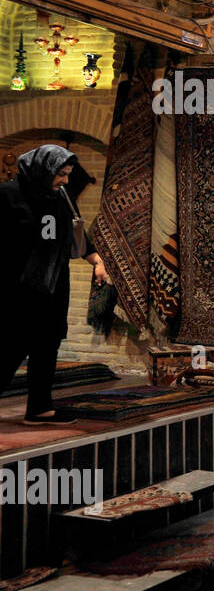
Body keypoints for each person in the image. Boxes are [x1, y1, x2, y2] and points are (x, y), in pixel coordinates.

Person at [0, 146, 110, 424]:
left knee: (47, 344)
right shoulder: (8, 195)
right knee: (13, 345)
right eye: (60, 174)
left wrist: (96, 260)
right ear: (42, 170)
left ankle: (39, 409)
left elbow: (76, 234)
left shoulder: (61, 197)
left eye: (68, 174)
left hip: (54, 284)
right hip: (18, 286)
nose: (65, 180)